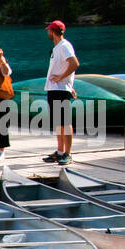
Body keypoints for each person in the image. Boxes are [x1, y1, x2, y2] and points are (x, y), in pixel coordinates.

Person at [43, 20, 79, 165]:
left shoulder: (64, 46)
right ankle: (59, 152)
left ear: (52, 32)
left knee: (65, 121)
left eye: (48, 31)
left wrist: (62, 78)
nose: (48, 33)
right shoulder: (57, 47)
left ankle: (68, 154)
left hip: (60, 89)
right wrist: (69, 83)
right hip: (54, 89)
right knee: (59, 122)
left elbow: (74, 63)